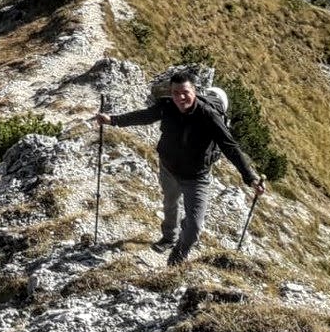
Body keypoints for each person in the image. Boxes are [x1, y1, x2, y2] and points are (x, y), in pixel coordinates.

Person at [93, 71, 266, 265]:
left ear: (194, 91)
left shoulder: (208, 115)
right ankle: (169, 238)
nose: (180, 97)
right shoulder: (167, 106)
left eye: (185, 92)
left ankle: (177, 257)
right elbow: (144, 116)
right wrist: (113, 120)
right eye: (175, 93)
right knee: (170, 203)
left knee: (194, 227)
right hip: (168, 168)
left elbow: (230, 147)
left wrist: (250, 178)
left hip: (196, 176)